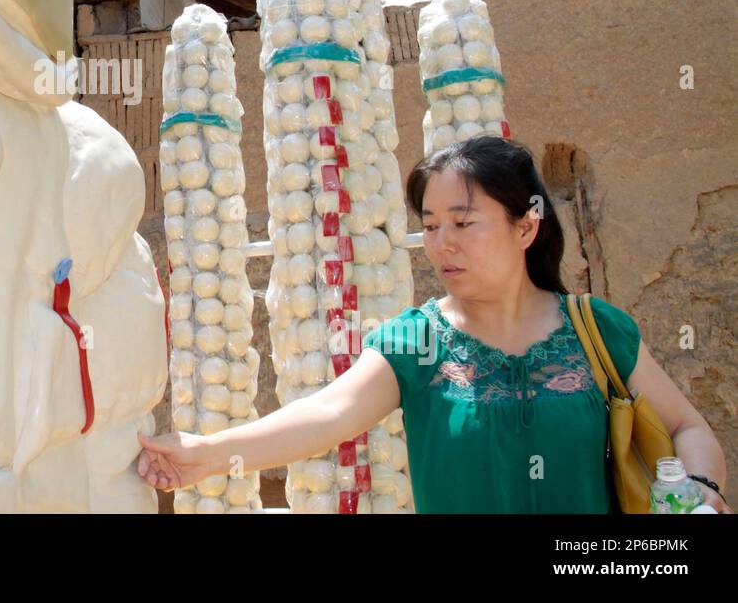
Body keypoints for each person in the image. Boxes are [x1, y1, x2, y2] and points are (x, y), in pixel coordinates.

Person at [136, 136, 731, 513]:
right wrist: (210, 453)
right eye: (431, 223)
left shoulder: (596, 330)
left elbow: (686, 426)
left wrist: (702, 492)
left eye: (463, 223)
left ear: (526, 227)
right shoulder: (418, 341)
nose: (441, 244)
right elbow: (326, 414)